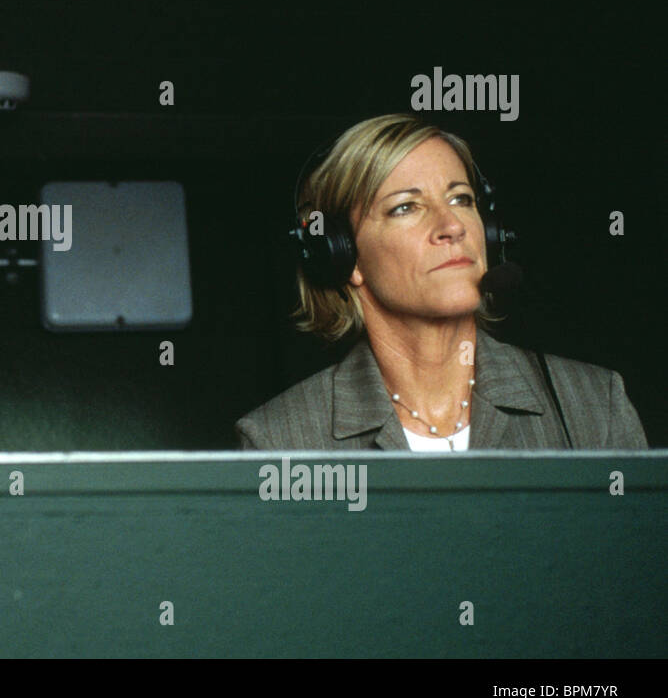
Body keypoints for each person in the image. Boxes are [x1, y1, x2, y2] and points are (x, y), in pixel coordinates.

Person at [237, 113, 645, 451]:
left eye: (461, 199)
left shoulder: (594, 405)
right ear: (344, 256)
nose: (451, 226)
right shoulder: (279, 440)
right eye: (405, 207)